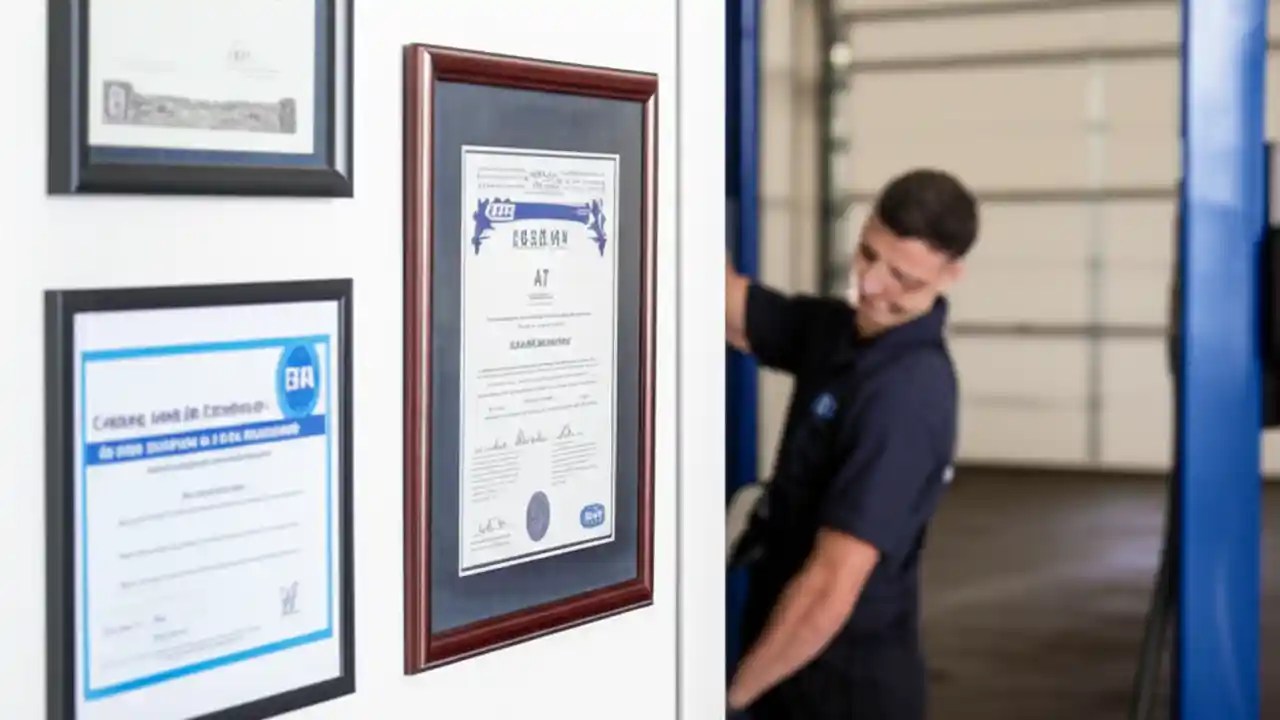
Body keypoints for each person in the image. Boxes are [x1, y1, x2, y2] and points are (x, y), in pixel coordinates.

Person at [724, 168, 979, 720]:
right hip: (784, 667)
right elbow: (732, 311)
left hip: (839, 689)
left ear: (951, 274)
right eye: (867, 255)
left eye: (903, 279)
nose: (871, 286)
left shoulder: (908, 397)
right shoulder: (841, 331)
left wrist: (728, 702)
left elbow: (830, 585)